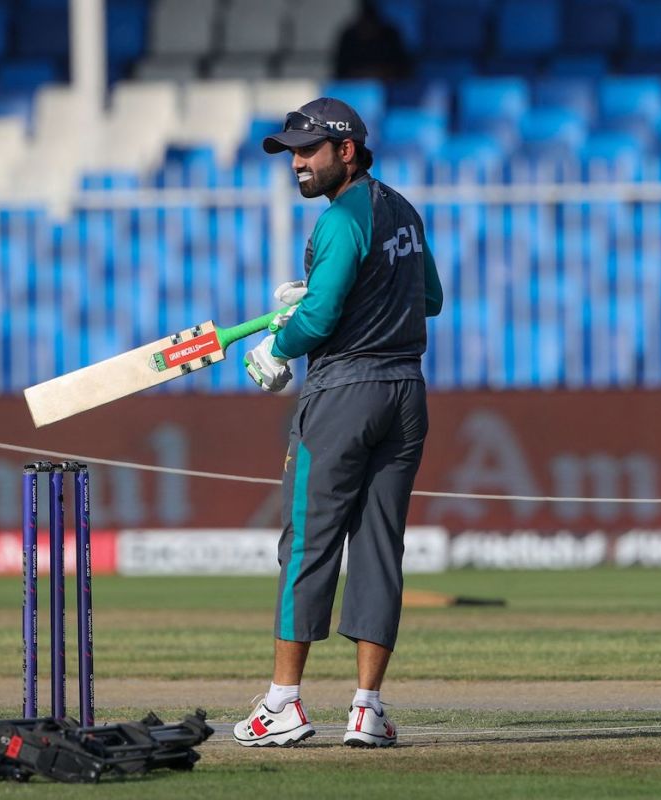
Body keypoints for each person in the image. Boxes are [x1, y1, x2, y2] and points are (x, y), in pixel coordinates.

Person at [233, 97, 443, 748]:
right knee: (379, 547)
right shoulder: (402, 210)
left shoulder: (341, 219)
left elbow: (321, 320)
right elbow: (429, 298)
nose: (296, 163)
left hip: (344, 393)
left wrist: (279, 344)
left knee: (307, 544)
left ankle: (283, 703)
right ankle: (366, 709)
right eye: (291, 152)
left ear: (346, 151)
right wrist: (331, 292)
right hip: (405, 393)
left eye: (308, 151)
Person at [334, 0, 413, 81]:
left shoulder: (390, 36)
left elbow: (402, 68)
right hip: (353, 86)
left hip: (390, 85)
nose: (368, 30)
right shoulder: (349, 37)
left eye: (371, 26)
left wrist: (381, 73)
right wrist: (363, 74)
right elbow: (341, 70)